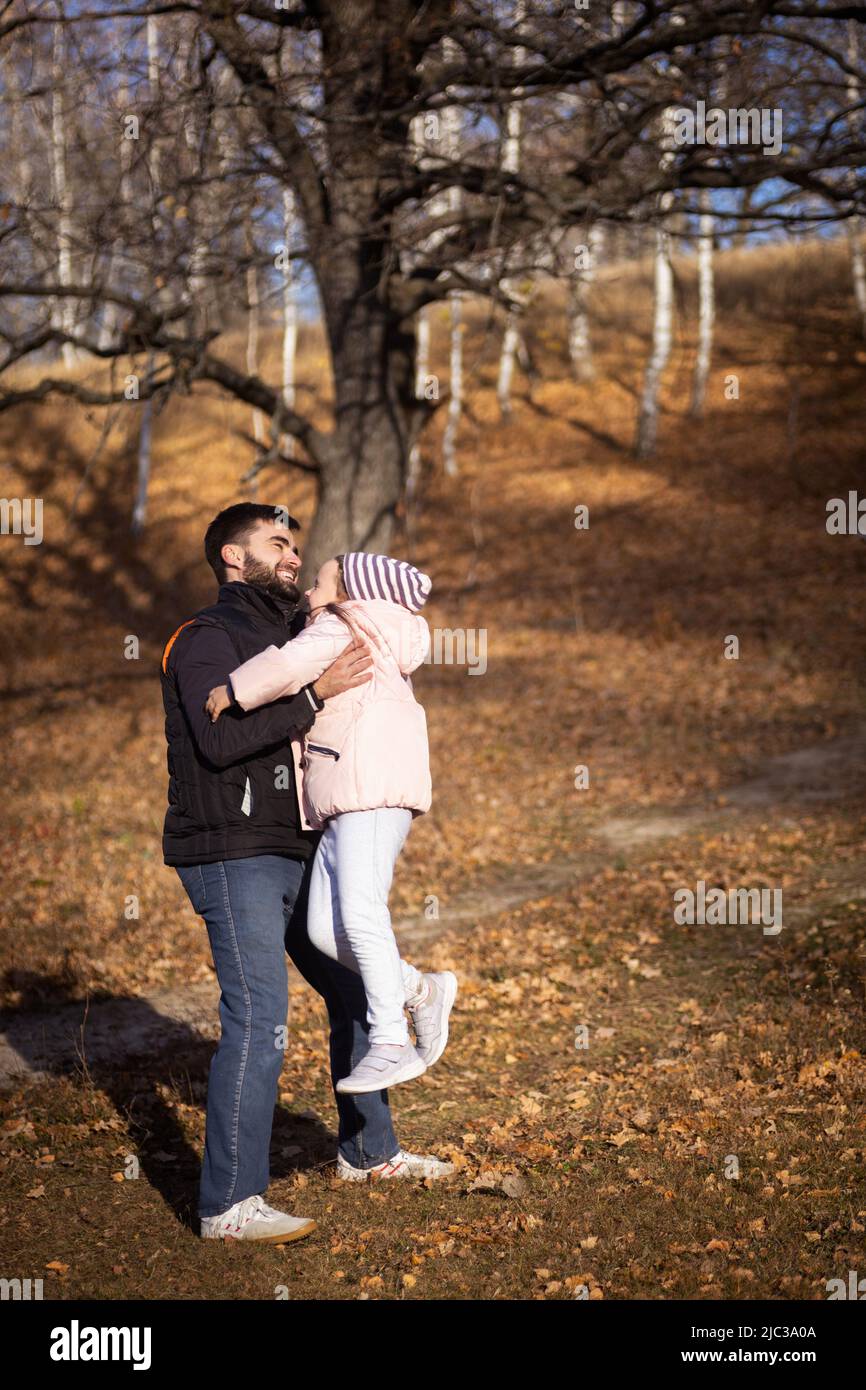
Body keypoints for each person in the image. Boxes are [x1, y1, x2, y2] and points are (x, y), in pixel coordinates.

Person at [161, 504, 453, 1245]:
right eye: (277, 545)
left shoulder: (300, 631)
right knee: (259, 1015)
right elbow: (218, 736)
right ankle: (228, 1206)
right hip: (233, 849)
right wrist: (313, 699)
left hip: (300, 841)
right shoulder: (203, 639)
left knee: (353, 980)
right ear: (233, 556)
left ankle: (369, 1153)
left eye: (297, 547)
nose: (294, 557)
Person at [206, 551, 458, 1096]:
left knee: (363, 913)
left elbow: (287, 665)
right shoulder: (371, 627)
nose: (312, 587)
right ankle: (420, 989)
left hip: (368, 787)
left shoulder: (341, 624)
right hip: (349, 794)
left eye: (322, 579)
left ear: (350, 590)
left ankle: (391, 1040)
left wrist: (233, 690)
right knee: (323, 928)